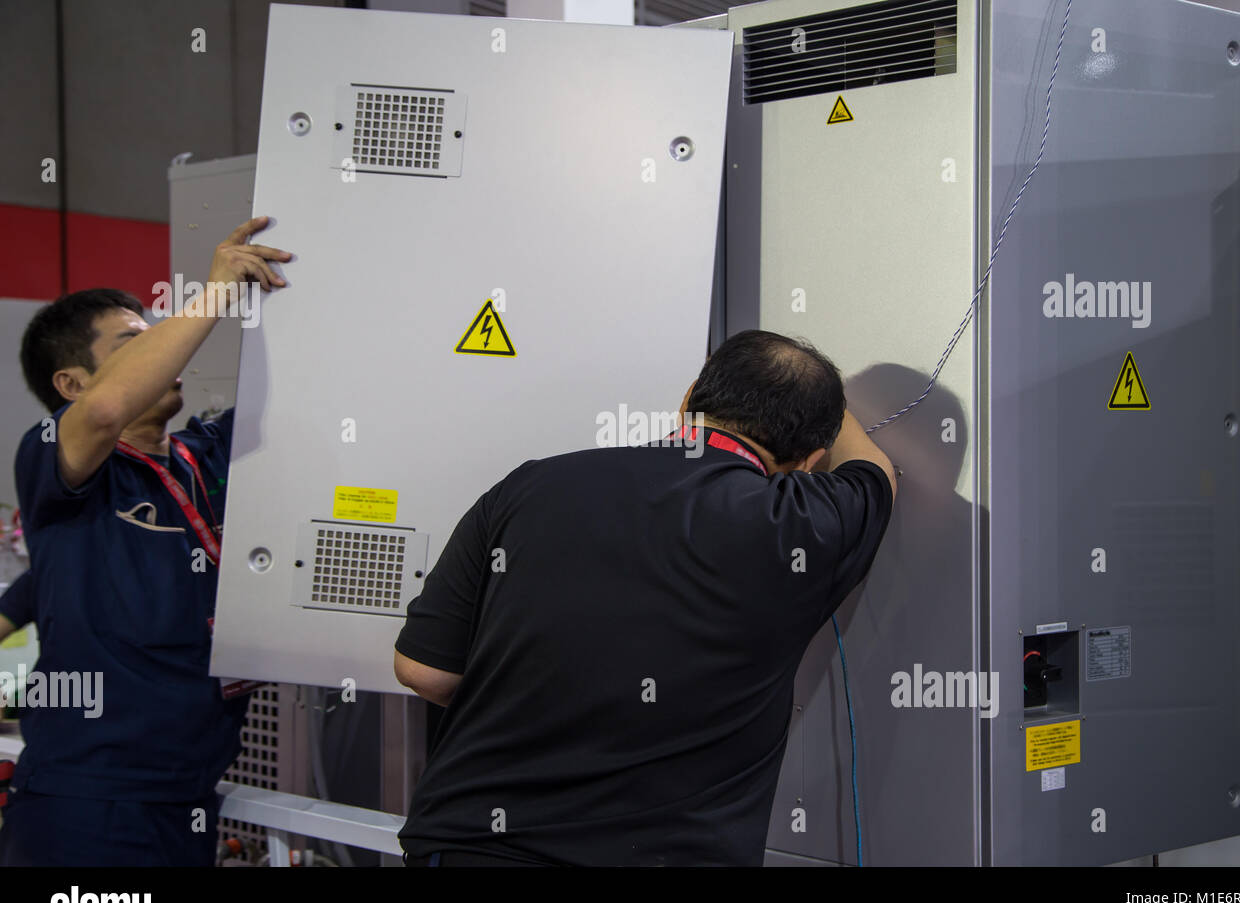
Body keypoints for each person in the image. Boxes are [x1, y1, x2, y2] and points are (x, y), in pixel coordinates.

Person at [394, 329, 896, 866]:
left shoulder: (529, 487)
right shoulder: (801, 525)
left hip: (471, 847)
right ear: (809, 461)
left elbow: (425, 671)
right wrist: (809, 392)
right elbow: (876, 472)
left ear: (686, 401)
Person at [0, 218, 291, 866]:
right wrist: (213, 292)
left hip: (188, 802)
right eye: (134, 343)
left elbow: (305, 399)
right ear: (72, 386)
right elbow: (104, 414)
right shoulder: (57, 465)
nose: (164, 349)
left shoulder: (203, 456)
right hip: (89, 808)